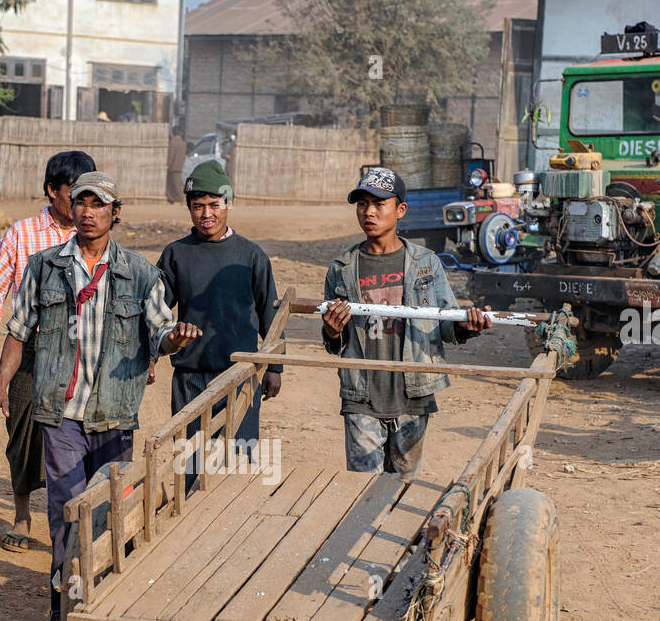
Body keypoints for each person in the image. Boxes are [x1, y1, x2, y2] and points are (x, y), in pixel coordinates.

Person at [0, 172, 200, 621]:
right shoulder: (43, 266)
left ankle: (99, 596)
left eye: (99, 204)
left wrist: (174, 339)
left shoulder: (140, 273)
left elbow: (159, 332)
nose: (88, 211)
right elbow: (17, 333)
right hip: (59, 411)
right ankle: (63, 603)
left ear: (115, 213)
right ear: (70, 208)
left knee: (108, 506)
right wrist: (0, 387)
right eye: (81, 202)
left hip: (114, 414)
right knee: (65, 505)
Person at [322, 167, 491, 479]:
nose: (368, 212)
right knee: (360, 490)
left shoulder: (426, 264)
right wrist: (331, 331)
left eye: (378, 204)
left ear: (400, 210)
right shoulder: (341, 269)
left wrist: (468, 325)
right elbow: (336, 342)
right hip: (362, 395)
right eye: (362, 205)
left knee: (404, 488)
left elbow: (446, 323)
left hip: (414, 395)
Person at [0, 150, 96, 552]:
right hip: (26, 347)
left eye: (88, 195)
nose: (81, 205)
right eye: (73, 193)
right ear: (50, 191)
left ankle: (77, 518)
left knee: (82, 429)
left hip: (80, 348)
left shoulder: (93, 237)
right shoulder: (21, 235)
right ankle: (22, 515)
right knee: (20, 426)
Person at [157, 159, 281, 472]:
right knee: (191, 463)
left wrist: (275, 366)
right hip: (191, 375)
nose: (206, 214)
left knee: (239, 463)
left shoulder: (251, 256)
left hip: (241, 375)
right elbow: (155, 310)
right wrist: (150, 352)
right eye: (198, 206)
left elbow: (271, 314)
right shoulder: (176, 254)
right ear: (188, 207)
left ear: (229, 203)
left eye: (215, 204)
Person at [166, 125, 187, 203]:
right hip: (179, 166)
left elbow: (170, 156)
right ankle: (175, 198)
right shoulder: (183, 143)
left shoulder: (173, 143)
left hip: (173, 166)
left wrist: (168, 165)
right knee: (177, 183)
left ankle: (182, 199)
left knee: (176, 184)